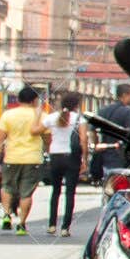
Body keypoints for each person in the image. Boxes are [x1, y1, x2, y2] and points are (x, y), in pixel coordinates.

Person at [0, 86, 49, 235]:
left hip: (11, 157)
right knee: (26, 193)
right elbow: (48, 137)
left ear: (19, 99)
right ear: (34, 100)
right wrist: (48, 150)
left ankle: (6, 214)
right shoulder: (42, 116)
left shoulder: (8, 115)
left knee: (6, 187)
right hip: (33, 158)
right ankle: (22, 224)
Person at [43, 93, 89, 236]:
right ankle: (65, 228)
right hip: (71, 158)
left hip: (55, 156)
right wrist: (85, 159)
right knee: (70, 193)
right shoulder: (79, 119)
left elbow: (37, 130)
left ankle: (51, 225)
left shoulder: (51, 118)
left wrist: (47, 145)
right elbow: (83, 140)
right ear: (77, 105)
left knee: (55, 192)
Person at [90, 83, 130, 179]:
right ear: (124, 95)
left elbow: (92, 130)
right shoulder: (128, 112)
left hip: (104, 157)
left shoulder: (103, 110)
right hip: (120, 157)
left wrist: (96, 145)